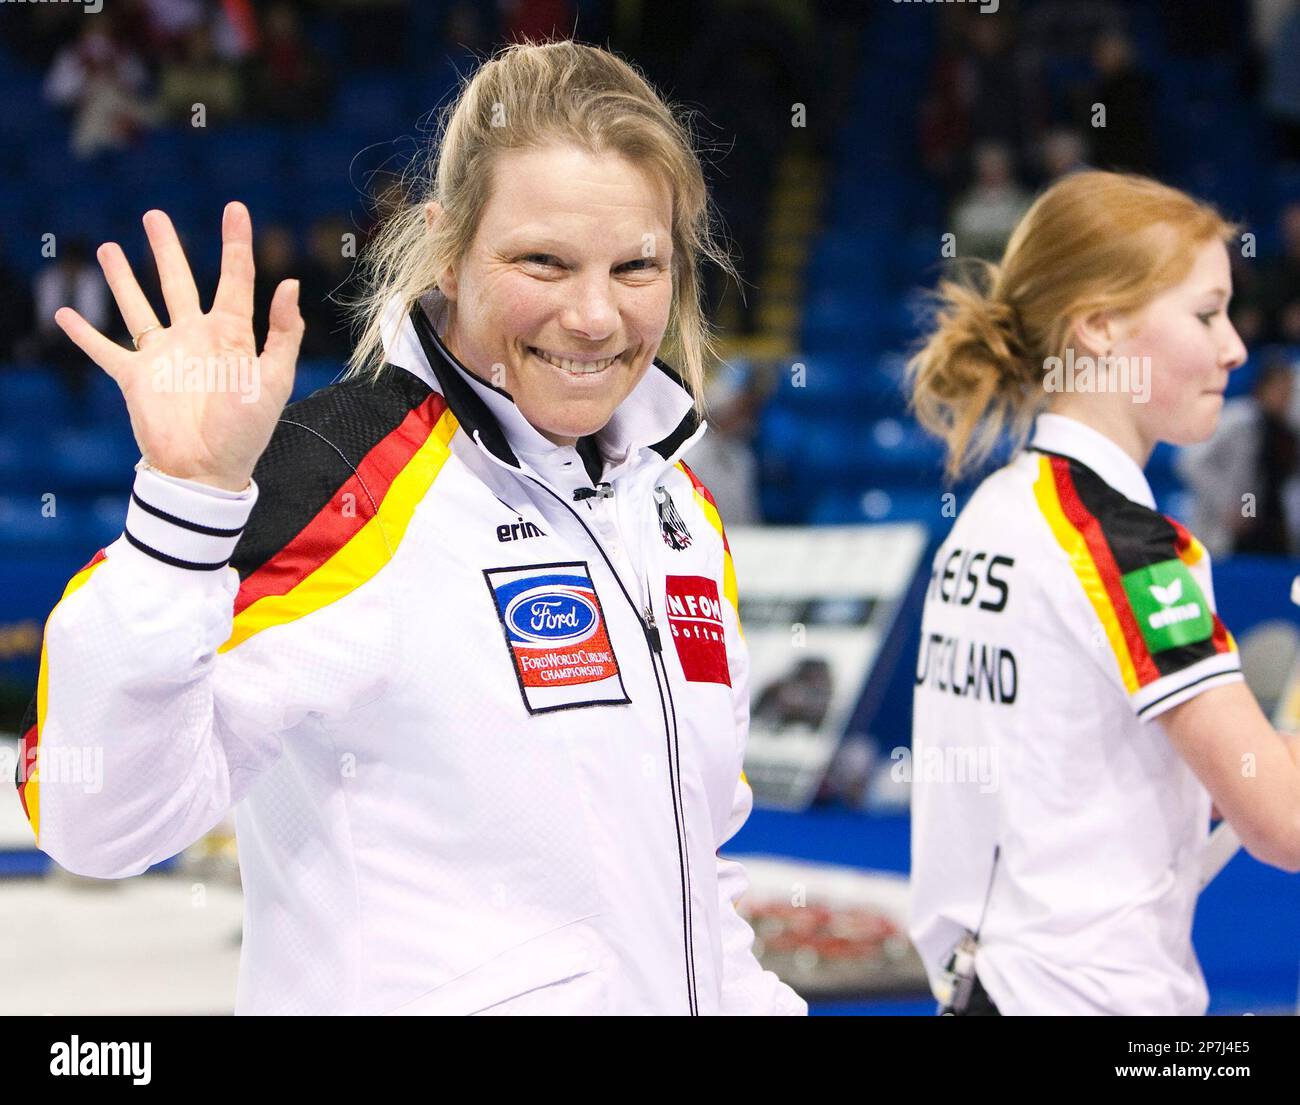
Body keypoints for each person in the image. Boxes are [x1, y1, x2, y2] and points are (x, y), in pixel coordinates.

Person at [16, 39, 806, 1017]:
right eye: (542, 262)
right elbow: (89, 817)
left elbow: (691, 879)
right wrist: (182, 509)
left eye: (635, 265)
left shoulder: (675, 508)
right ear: (444, 245)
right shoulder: (339, 482)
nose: (596, 315)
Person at [905, 170, 1300, 1016]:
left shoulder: (993, 509)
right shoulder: (1120, 546)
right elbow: (1284, 823)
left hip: (991, 986)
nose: (1235, 346)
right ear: (1099, 327)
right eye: (1205, 313)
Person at [1178, 356, 1299, 558]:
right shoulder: (1240, 419)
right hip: (1233, 521)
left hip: (1270, 521)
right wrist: (1229, 505)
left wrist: (1246, 511)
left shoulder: (1287, 429)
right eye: (1279, 389)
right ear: (1263, 388)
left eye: (1288, 390)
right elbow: (1191, 461)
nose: (1284, 396)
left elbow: (1260, 481)